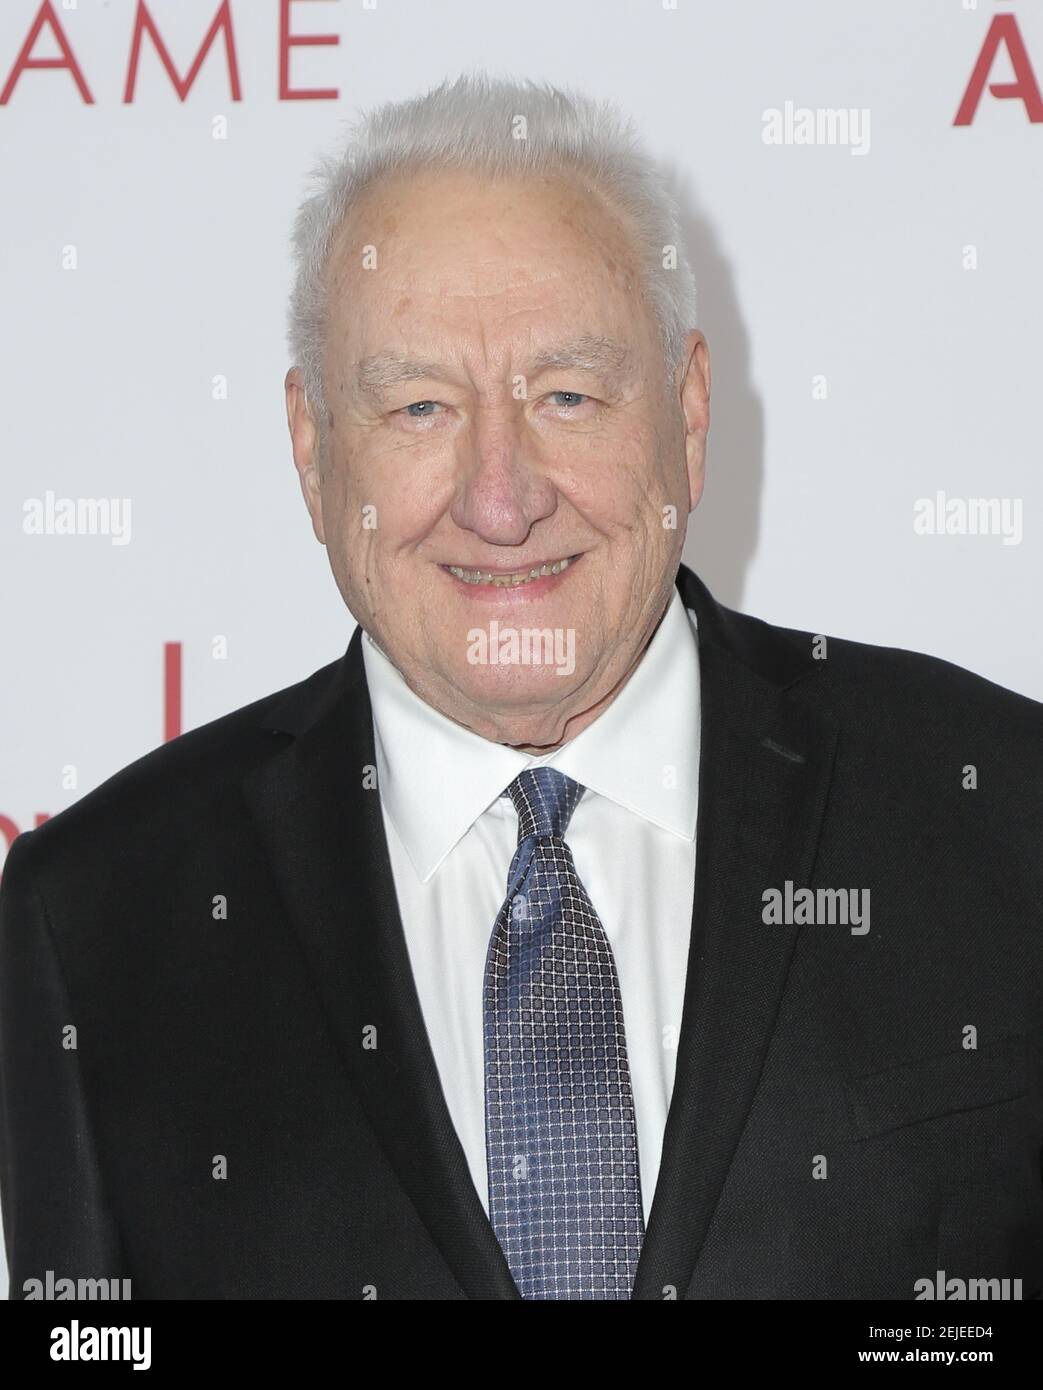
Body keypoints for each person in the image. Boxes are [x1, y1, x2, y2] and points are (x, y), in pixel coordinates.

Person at [1, 74, 1040, 1302]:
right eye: (420, 405)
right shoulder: (103, 924)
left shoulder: (999, 807)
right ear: (312, 448)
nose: (501, 498)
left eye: (566, 396)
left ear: (690, 414)